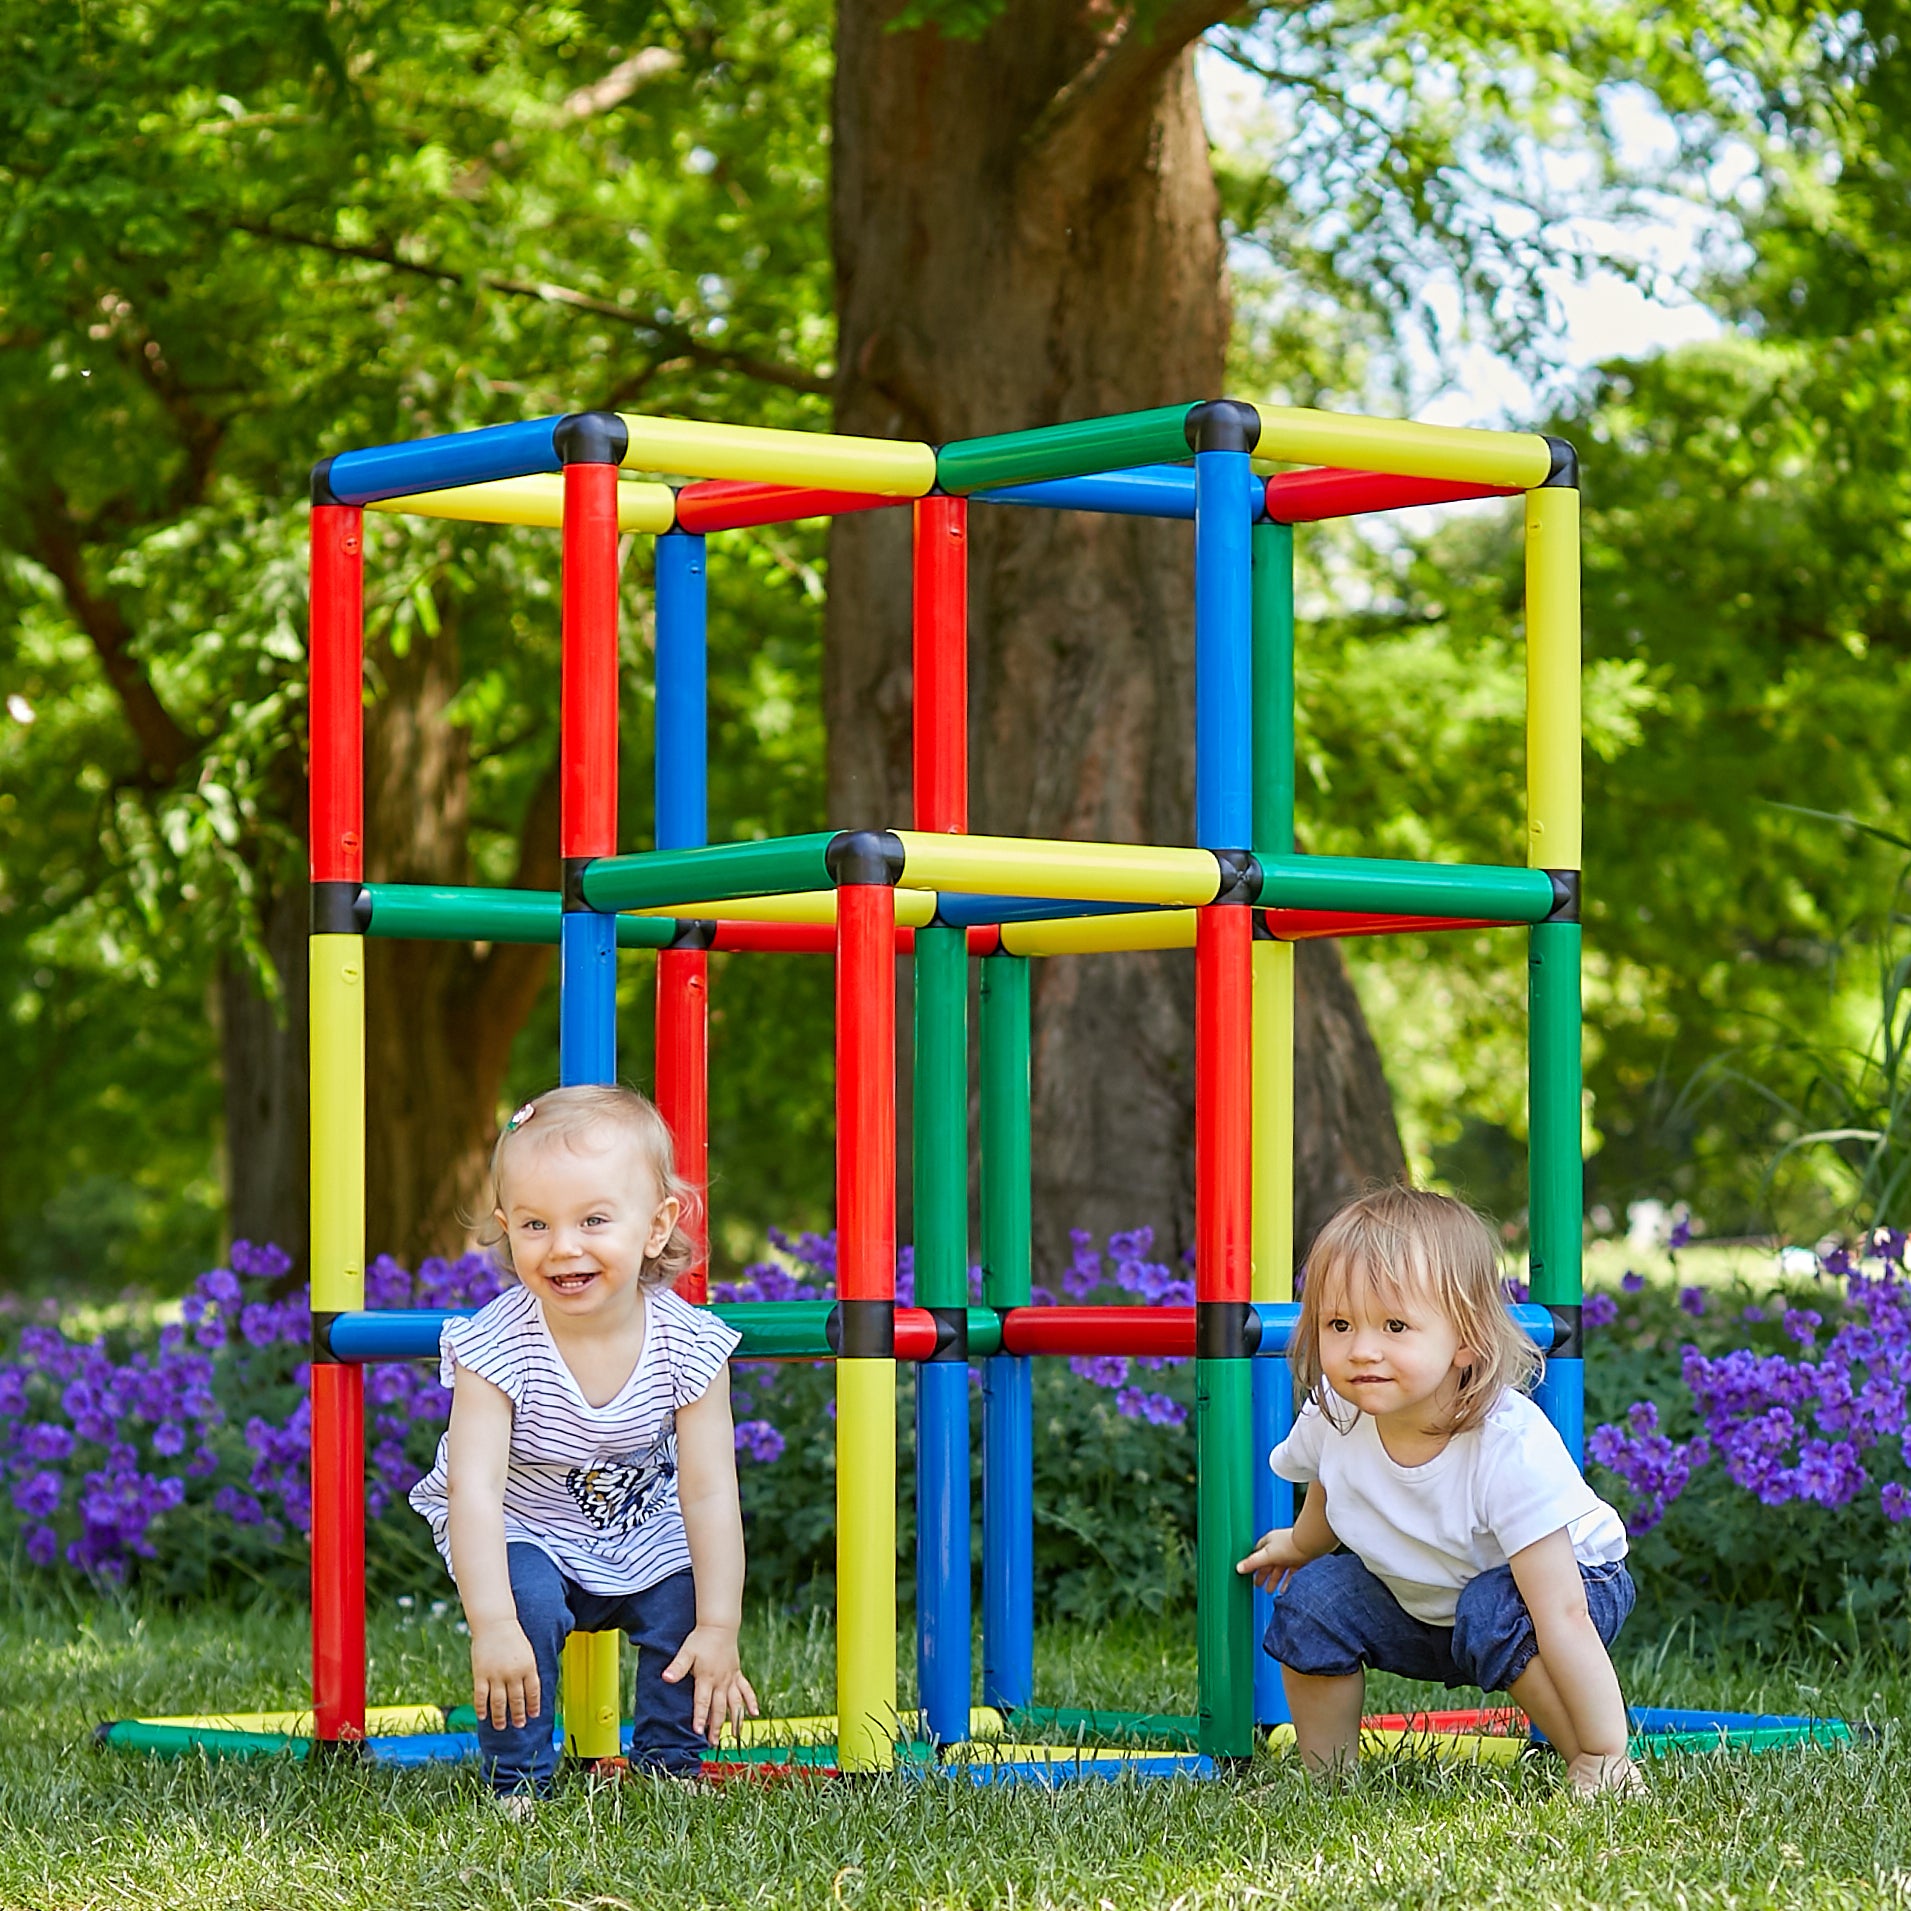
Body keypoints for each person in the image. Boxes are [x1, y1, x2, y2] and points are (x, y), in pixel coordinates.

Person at [410, 1084, 758, 1799]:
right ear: (507, 1229)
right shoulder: (495, 1346)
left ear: (656, 1226)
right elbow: (475, 1491)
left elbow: (708, 1491)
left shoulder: (689, 1345)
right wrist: (492, 1622)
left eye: (594, 1219)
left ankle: (670, 1765)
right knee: (526, 1608)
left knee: (689, 1595)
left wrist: (720, 1624)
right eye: (535, 1224)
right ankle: (519, 1780)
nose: (564, 1246)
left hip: (640, 1526)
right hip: (523, 1526)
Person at [1237, 1186, 1639, 1794]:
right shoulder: (1336, 1410)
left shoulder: (1505, 1446)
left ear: (1466, 1341)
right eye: (1339, 1324)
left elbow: (1563, 1613)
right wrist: (1299, 1544)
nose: (1362, 1350)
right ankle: (1328, 1781)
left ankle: (1595, 1762)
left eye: (1395, 1325)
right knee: (1314, 1601)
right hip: (1430, 1601)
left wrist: (1605, 1747)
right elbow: (1329, 1484)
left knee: (1492, 1608)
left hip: (1568, 1589)